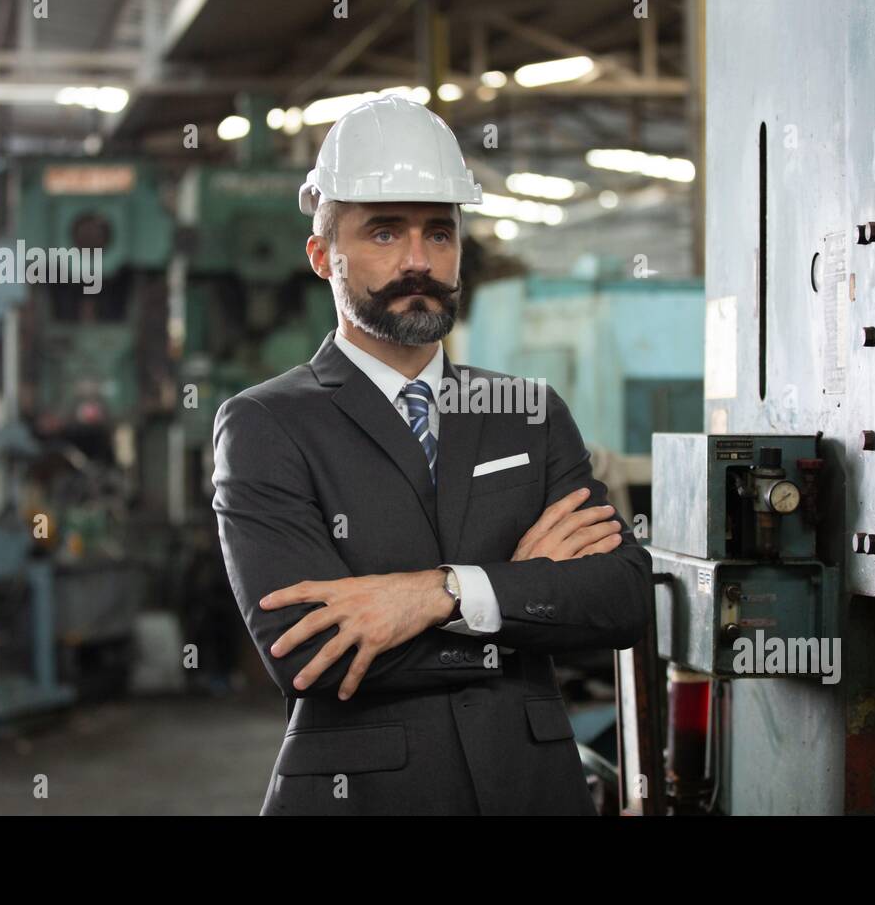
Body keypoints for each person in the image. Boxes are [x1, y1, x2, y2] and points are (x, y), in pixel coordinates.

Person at [211, 95, 651, 815]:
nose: (419, 261)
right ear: (324, 255)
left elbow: (622, 602)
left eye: (438, 234)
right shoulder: (267, 424)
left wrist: (435, 592)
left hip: (532, 791)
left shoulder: (529, 414)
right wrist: (523, 592)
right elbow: (309, 653)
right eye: (385, 233)